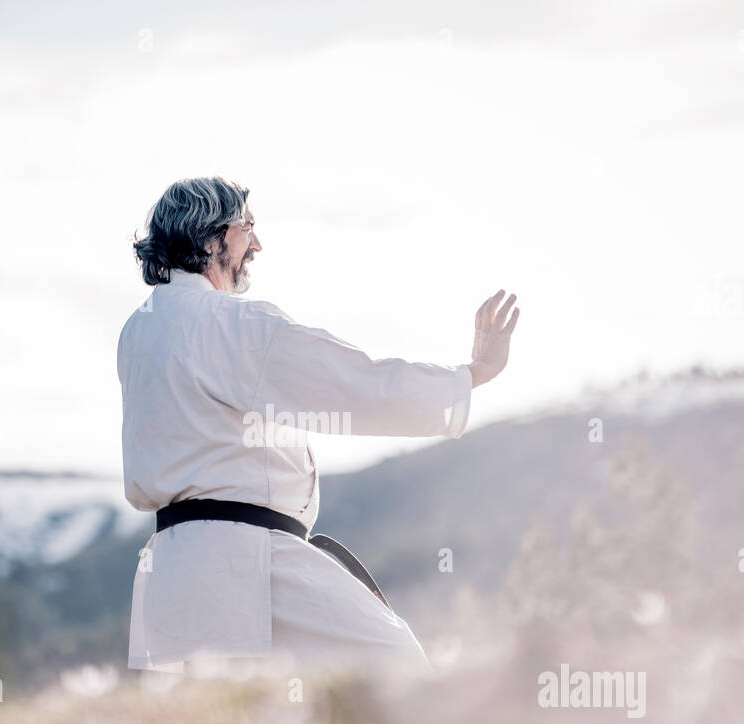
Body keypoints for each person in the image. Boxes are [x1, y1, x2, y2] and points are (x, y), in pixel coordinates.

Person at [118, 177, 519, 679]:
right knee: (397, 666)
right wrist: (471, 376)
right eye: (247, 227)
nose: (256, 244)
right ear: (210, 236)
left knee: (221, 716)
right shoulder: (229, 323)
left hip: (170, 572)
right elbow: (352, 382)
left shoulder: (138, 331)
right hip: (248, 563)